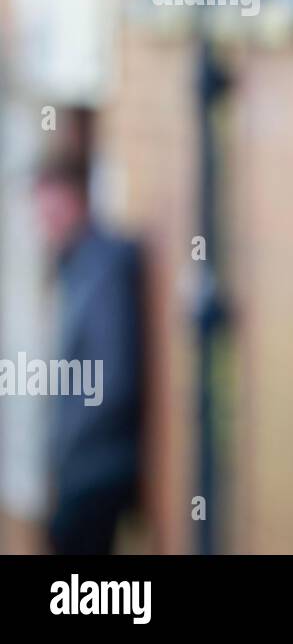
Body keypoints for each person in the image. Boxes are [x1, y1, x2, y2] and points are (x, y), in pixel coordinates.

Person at [34, 147, 145, 555]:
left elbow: (113, 379)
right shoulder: (73, 266)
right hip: (79, 471)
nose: (45, 222)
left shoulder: (103, 266)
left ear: (76, 200)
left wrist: (72, 450)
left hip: (97, 472)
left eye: (51, 209)